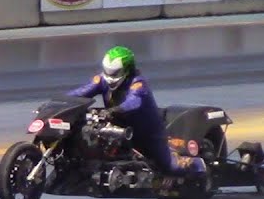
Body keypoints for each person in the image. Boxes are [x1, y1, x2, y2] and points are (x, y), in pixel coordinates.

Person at [68, 46, 208, 181]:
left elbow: (133, 102)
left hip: (147, 133)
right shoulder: (102, 80)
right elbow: (81, 92)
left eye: (115, 73)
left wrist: (114, 110)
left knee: (169, 166)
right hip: (121, 129)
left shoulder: (138, 84)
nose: (110, 77)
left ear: (127, 69)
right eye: (107, 72)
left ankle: (199, 165)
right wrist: (63, 102)